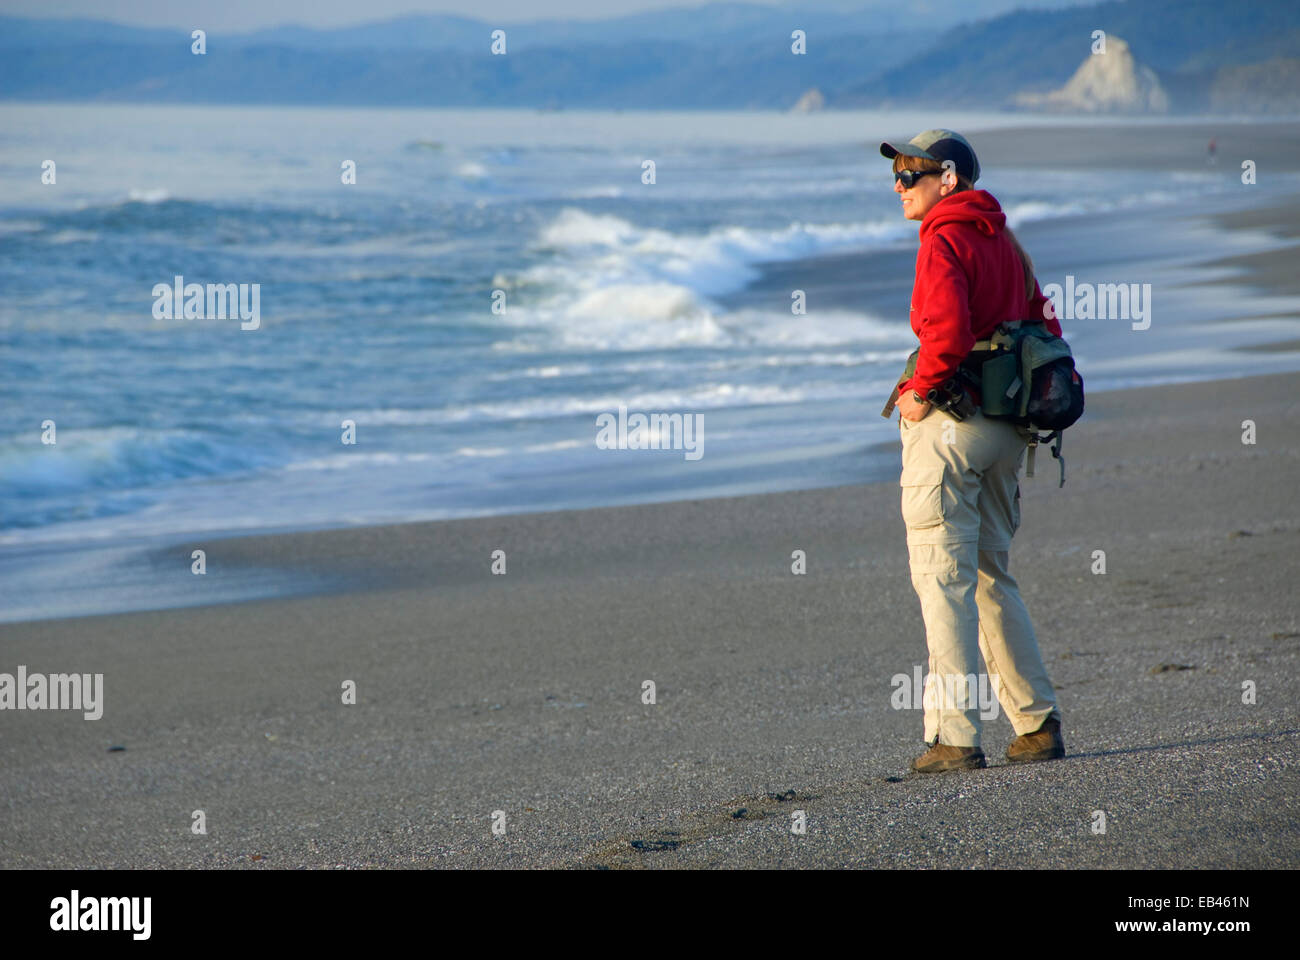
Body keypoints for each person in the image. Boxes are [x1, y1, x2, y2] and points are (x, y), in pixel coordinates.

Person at [879, 129, 1066, 773]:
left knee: (941, 577)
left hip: (953, 430)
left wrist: (918, 393)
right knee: (990, 574)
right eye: (898, 174)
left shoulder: (943, 237)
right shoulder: (1002, 236)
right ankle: (1036, 725)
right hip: (1008, 430)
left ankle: (954, 739)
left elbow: (948, 333)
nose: (899, 186)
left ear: (948, 179)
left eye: (912, 174)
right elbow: (1048, 323)